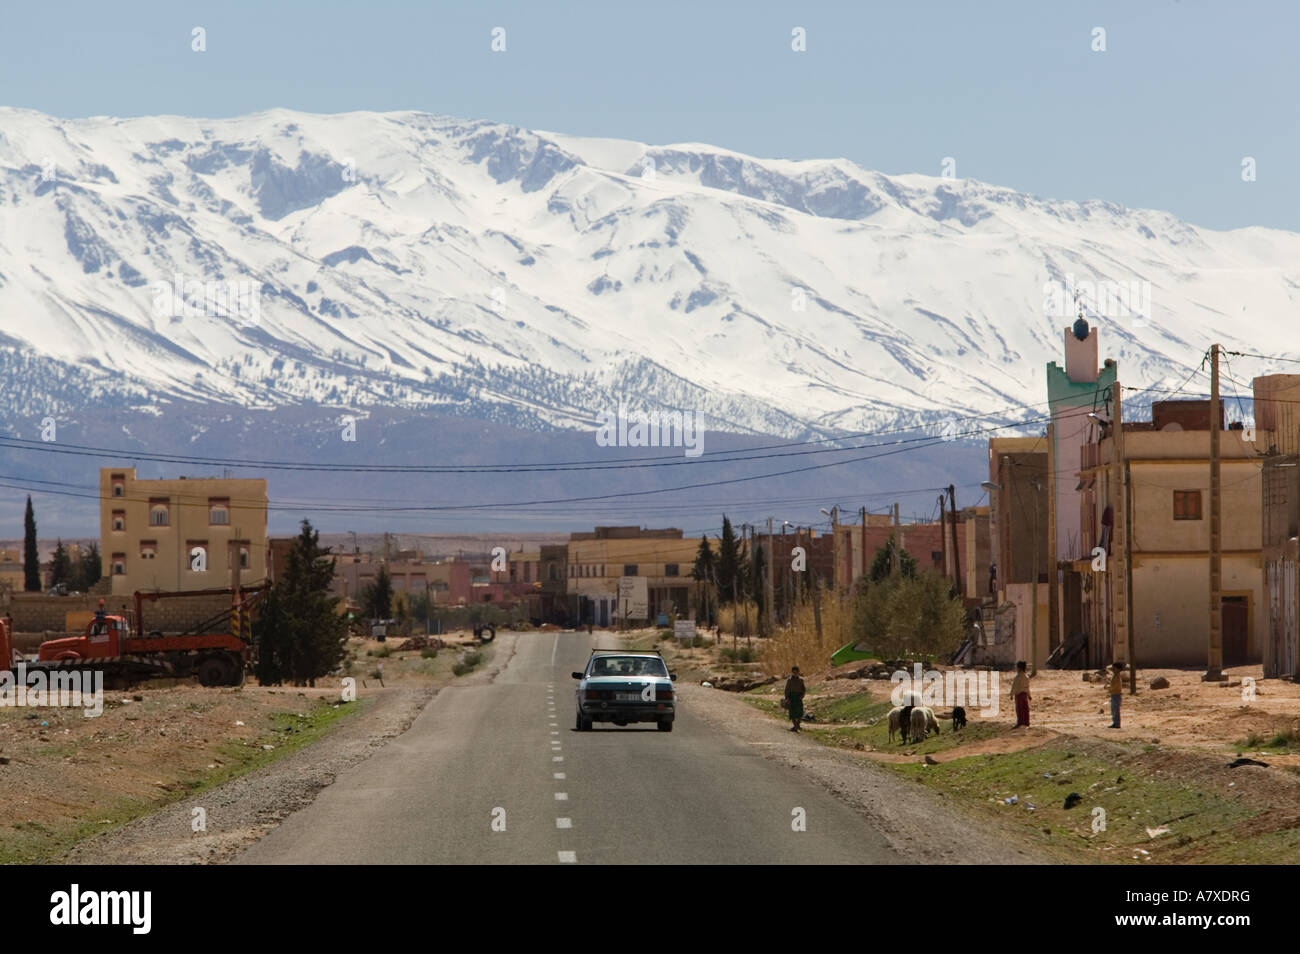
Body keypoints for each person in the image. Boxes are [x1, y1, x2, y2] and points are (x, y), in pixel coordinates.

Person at [784, 665, 806, 732]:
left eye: (796, 672)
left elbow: (803, 689)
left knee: (800, 713)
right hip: (791, 698)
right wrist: (787, 698)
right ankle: (796, 726)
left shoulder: (801, 680)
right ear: (792, 672)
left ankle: (797, 725)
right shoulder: (789, 680)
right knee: (792, 713)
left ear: (799, 672)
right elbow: (786, 690)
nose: (795, 674)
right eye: (794, 672)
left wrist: (802, 696)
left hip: (798, 698)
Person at [1010, 660, 1031, 728]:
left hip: (1019, 695)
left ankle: (1020, 722)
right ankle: (1026, 722)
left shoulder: (1017, 677)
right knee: (1025, 709)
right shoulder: (1026, 677)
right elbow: (1027, 687)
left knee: (1019, 709)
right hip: (1025, 695)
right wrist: (1029, 695)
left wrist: (1011, 695)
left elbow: (1014, 687)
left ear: (1018, 668)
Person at [1107, 662, 1124, 728]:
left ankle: (1117, 724)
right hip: (1114, 694)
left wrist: (1108, 688)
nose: (1113, 669)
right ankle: (1115, 722)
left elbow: (1115, 686)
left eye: (1114, 668)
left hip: (1116, 694)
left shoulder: (1117, 676)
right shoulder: (1114, 675)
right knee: (1113, 710)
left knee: (1116, 710)